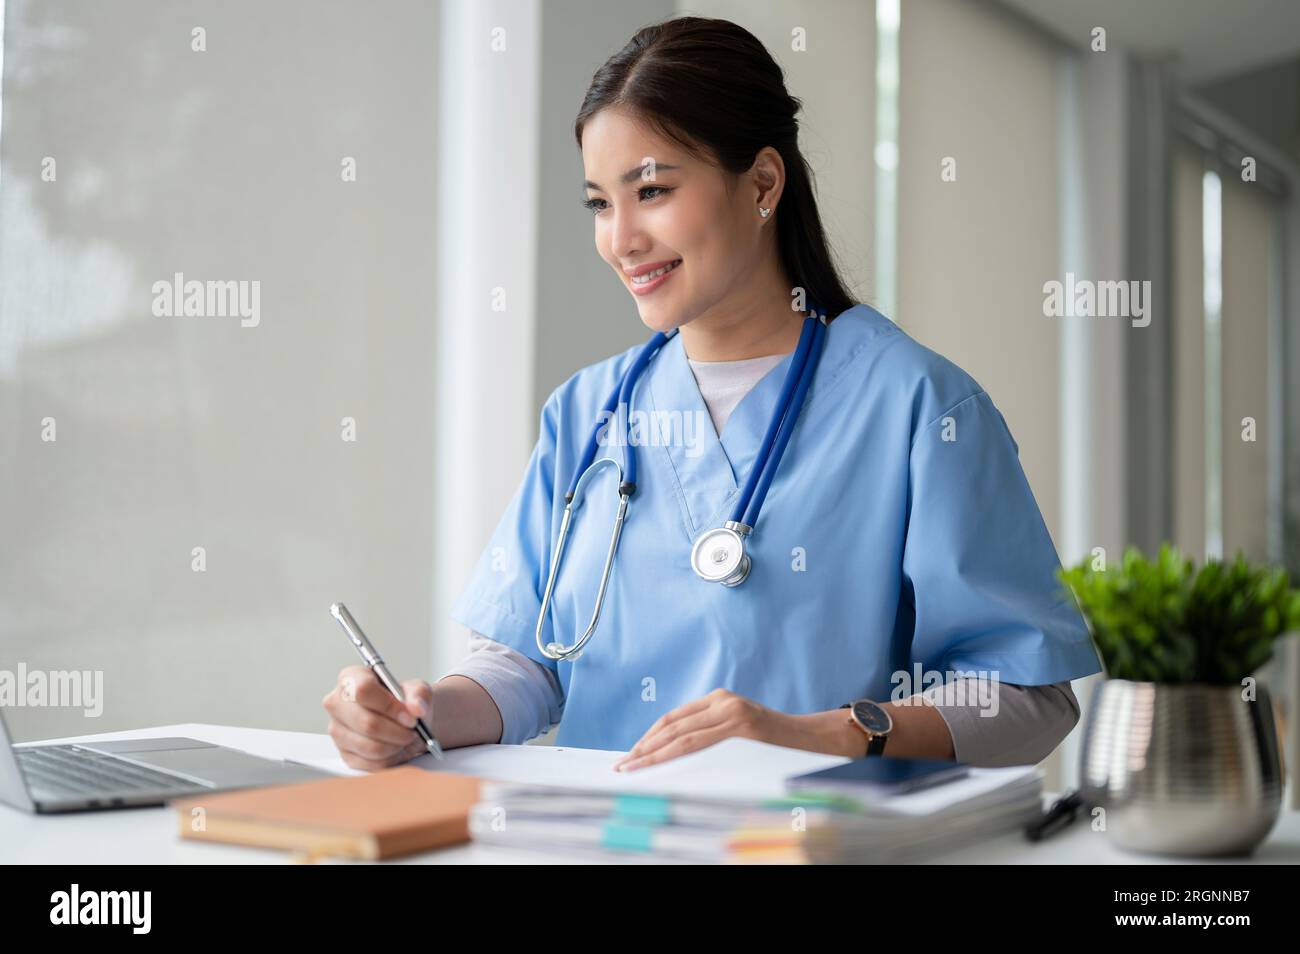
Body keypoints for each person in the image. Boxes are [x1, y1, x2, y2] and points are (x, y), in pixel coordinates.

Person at [323, 16, 1101, 773]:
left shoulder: (919, 408)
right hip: (604, 839)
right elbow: (529, 668)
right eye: (599, 202)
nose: (620, 238)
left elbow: (1027, 697)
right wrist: (414, 719)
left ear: (762, 182)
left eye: (651, 190)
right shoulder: (587, 414)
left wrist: (826, 733)